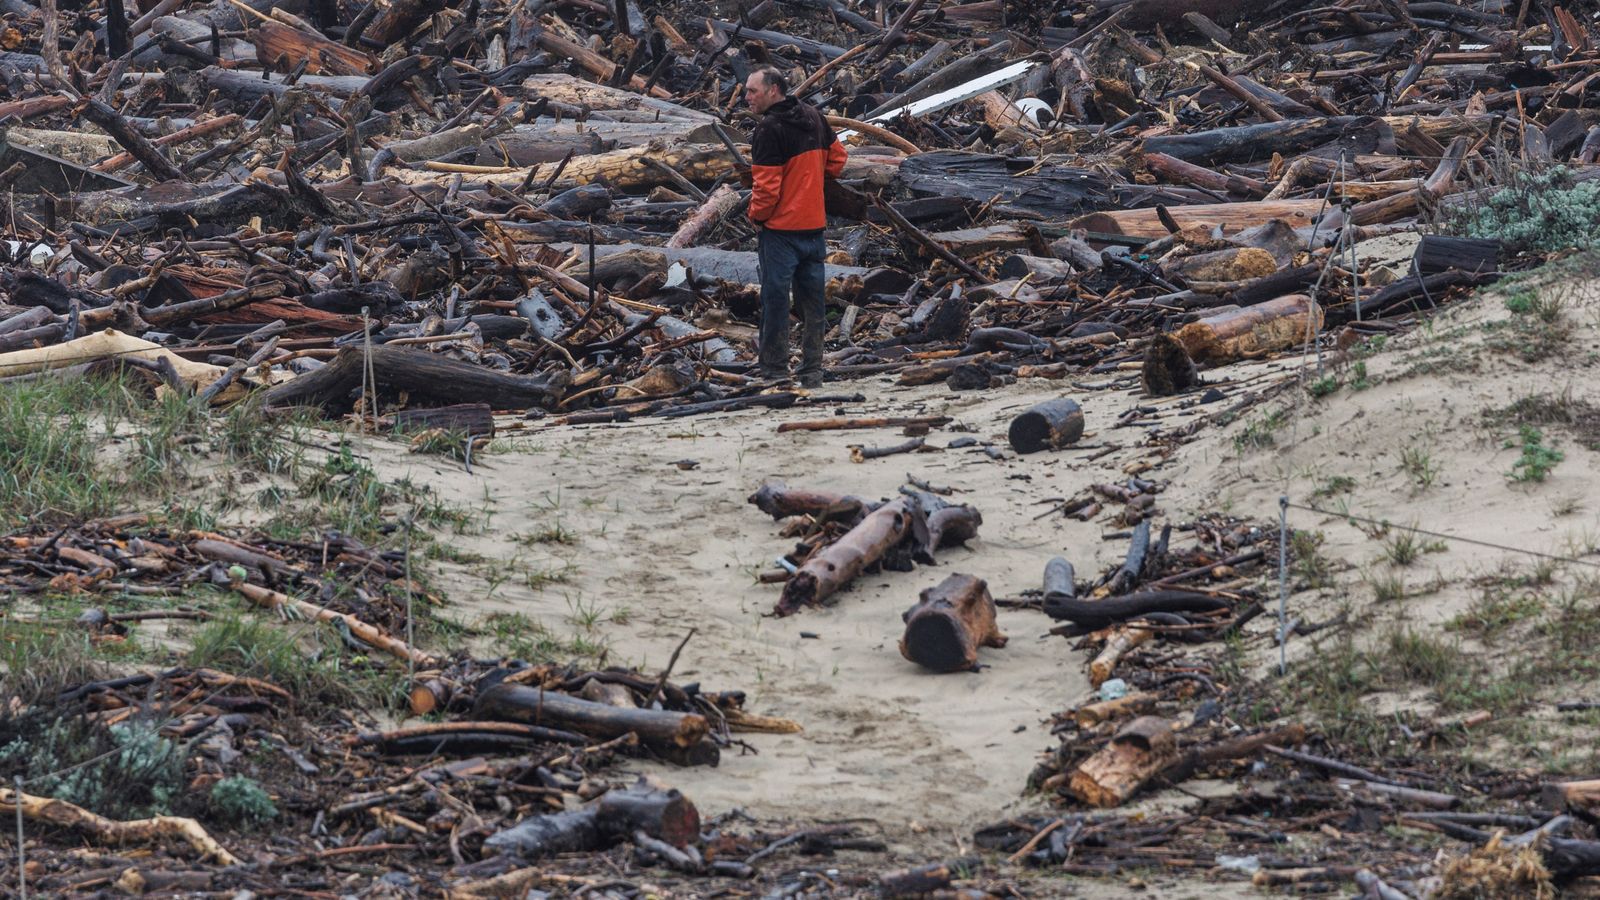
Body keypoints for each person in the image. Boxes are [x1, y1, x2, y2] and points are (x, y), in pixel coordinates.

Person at [743, 66, 846, 387]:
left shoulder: (769, 130)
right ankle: (811, 370)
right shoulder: (814, 117)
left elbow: (766, 189)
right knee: (813, 302)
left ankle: (774, 371)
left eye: (752, 91)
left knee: (775, 301)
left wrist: (757, 218)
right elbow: (838, 160)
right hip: (813, 228)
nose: (746, 97)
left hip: (781, 233)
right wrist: (811, 183)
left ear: (773, 90)